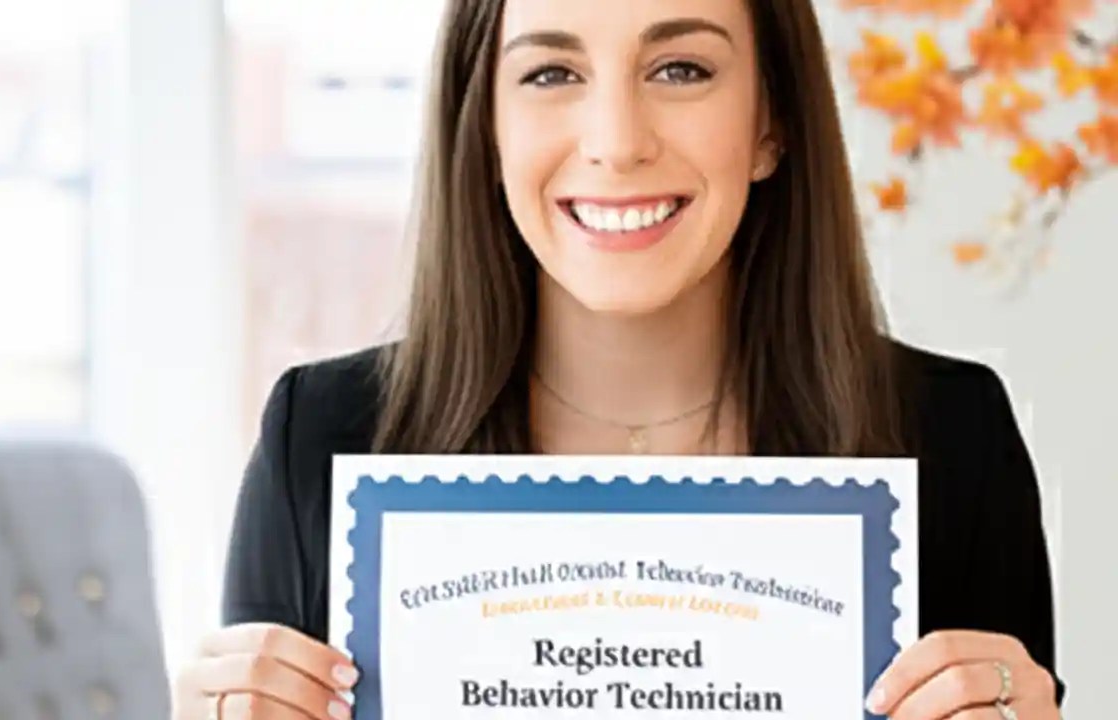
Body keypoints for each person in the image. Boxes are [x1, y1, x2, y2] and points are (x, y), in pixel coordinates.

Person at [173, 0, 1064, 718]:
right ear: (484, 127)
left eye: (681, 69)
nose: (616, 139)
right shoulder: (321, 441)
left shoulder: (954, 436)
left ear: (771, 124)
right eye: (551, 72)